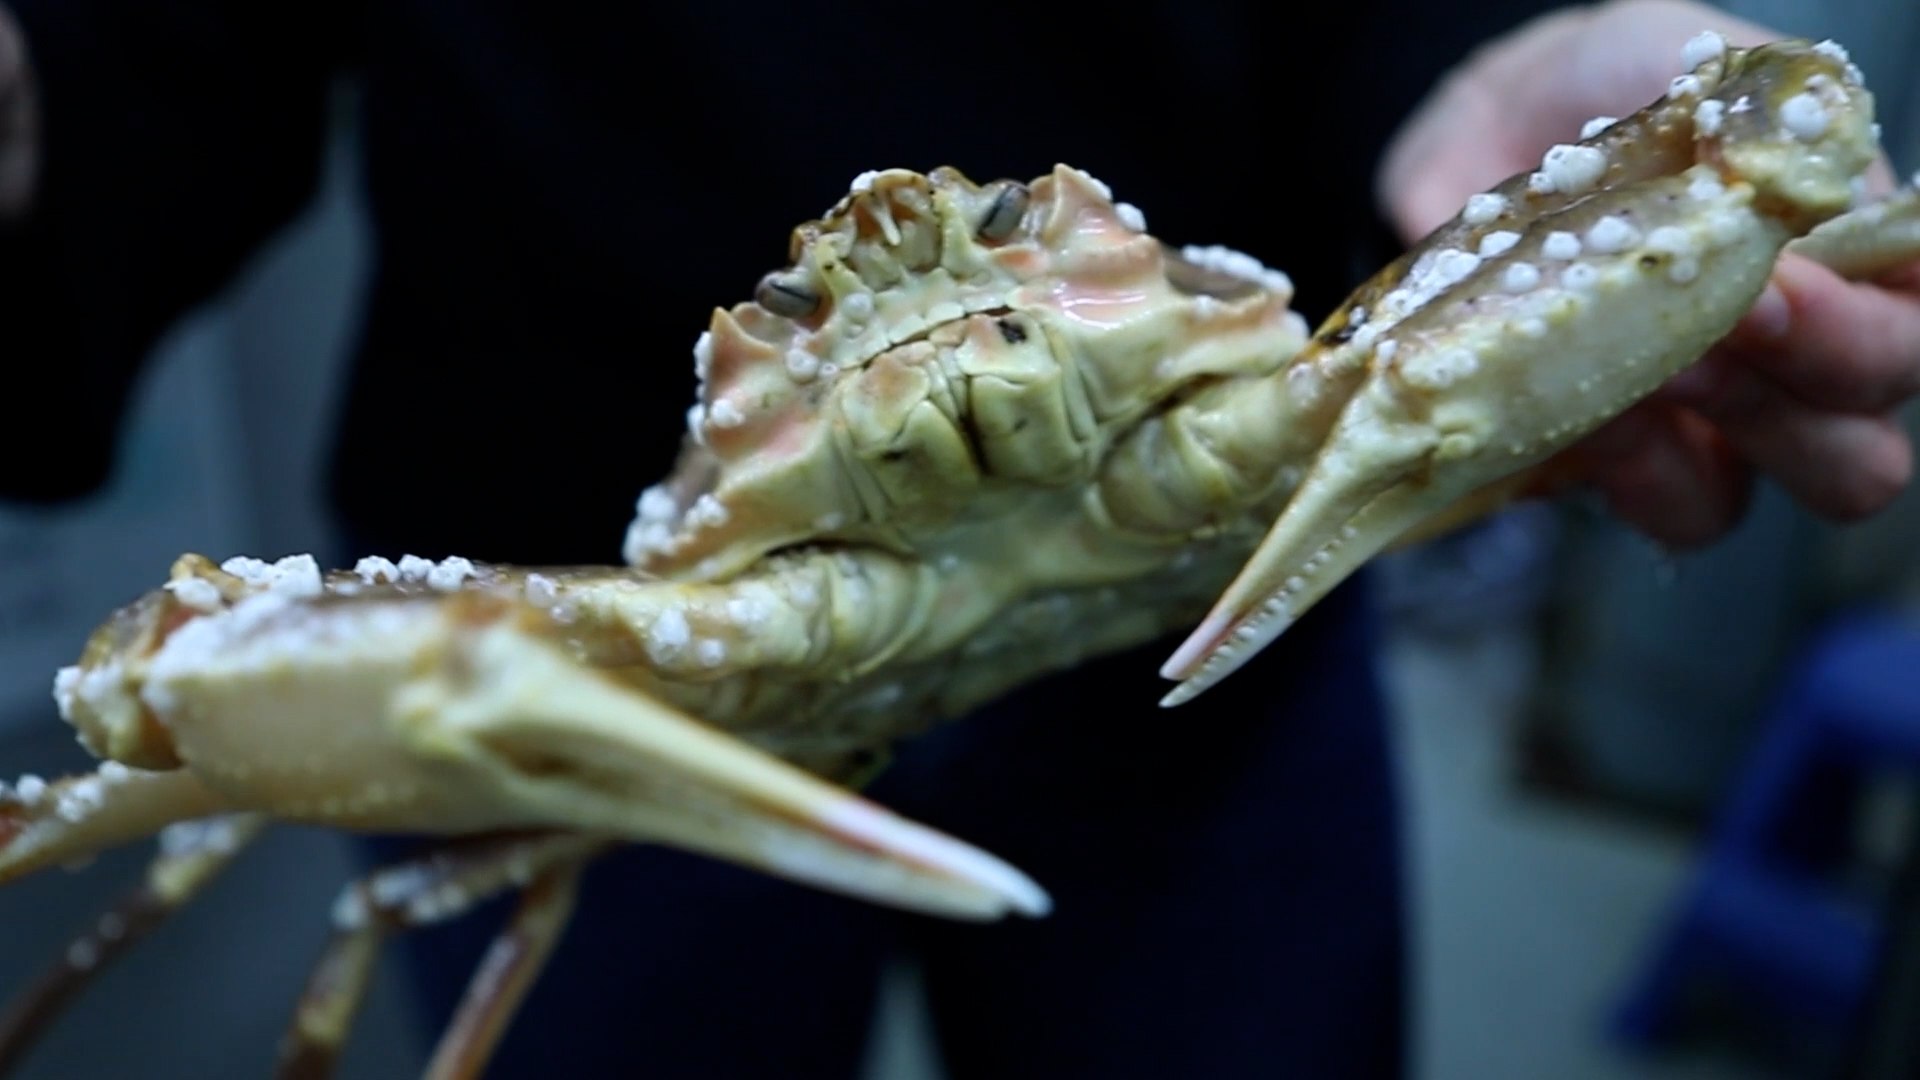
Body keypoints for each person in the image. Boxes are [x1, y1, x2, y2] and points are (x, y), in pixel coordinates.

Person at [1, 1, 1915, 1077]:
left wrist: (1475, 55)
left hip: (1229, 639)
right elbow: (159, 54)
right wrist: (40, 103)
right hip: (598, 701)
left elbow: (1781, 119)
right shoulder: (573, 648)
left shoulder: (1325, 393)